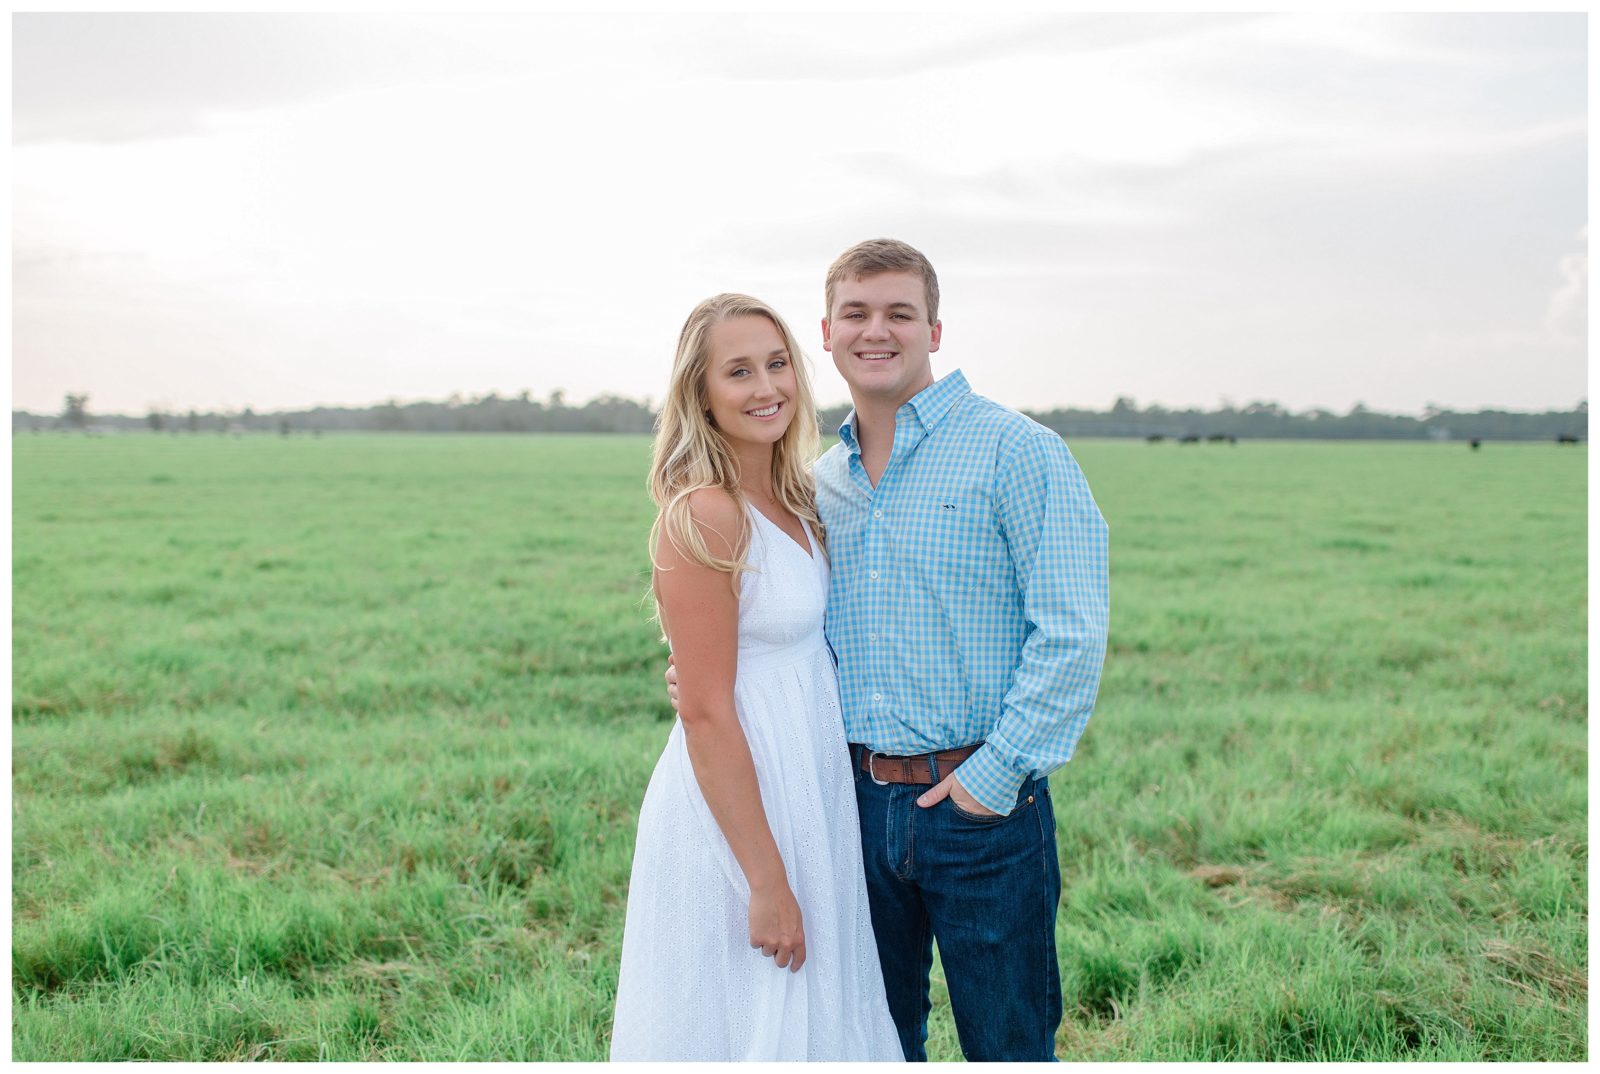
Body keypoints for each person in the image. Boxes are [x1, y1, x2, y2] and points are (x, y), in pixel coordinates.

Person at [670, 240, 1110, 1061]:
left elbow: (1074, 634)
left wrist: (995, 776)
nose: (878, 331)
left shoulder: (1018, 452)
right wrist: (704, 674)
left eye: (900, 313)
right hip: (849, 811)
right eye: (858, 314)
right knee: (870, 1045)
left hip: (982, 806)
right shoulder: (821, 484)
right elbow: (785, 624)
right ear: (829, 334)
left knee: (1008, 1048)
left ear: (934, 331)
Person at [609, 293, 902, 1062]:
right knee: (748, 1019)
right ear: (699, 394)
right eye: (738, 371)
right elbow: (706, 712)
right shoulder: (704, 514)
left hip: (810, 789)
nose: (766, 386)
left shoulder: (799, 497)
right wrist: (765, 879)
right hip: (743, 807)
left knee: (817, 1014)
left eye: (777, 364)